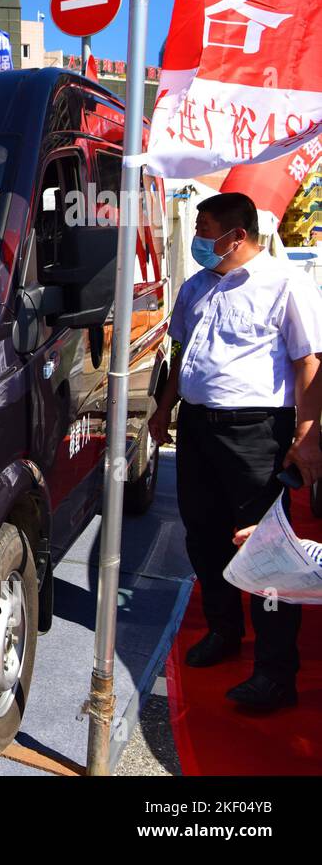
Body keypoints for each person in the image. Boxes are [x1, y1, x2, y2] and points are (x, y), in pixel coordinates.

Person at [149, 192, 322, 711]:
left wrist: (308, 434)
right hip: (198, 429)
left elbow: (309, 361)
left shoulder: (286, 282)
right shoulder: (197, 285)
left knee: (264, 545)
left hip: (256, 432)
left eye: (205, 230)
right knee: (203, 534)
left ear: (236, 235)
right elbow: (183, 353)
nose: (200, 240)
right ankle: (224, 630)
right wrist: (163, 409)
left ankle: (275, 671)